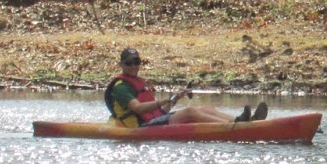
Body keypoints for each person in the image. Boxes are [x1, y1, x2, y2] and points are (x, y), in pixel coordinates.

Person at [105, 47, 266, 127]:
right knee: (190, 112)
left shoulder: (138, 82)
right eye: (129, 63)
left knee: (207, 108)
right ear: (121, 64)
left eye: (137, 62)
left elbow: (162, 112)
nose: (134, 66)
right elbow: (139, 109)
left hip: (154, 120)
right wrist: (162, 101)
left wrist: (174, 98)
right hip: (143, 127)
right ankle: (234, 128)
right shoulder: (121, 87)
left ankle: (241, 121)